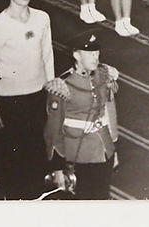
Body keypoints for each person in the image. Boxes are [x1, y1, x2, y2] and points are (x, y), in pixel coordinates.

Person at [0, 0, 54, 199]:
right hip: (10, 99)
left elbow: (48, 56)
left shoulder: (42, 18)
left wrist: (51, 90)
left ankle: (37, 195)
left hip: (37, 94)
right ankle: (16, 199)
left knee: (37, 147)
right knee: (14, 153)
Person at [42, 32, 119, 200]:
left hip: (103, 149)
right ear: (76, 55)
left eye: (96, 52)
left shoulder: (103, 76)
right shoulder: (62, 86)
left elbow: (109, 112)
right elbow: (53, 130)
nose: (95, 56)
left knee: (101, 198)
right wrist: (57, 168)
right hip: (77, 155)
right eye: (90, 53)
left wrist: (113, 148)